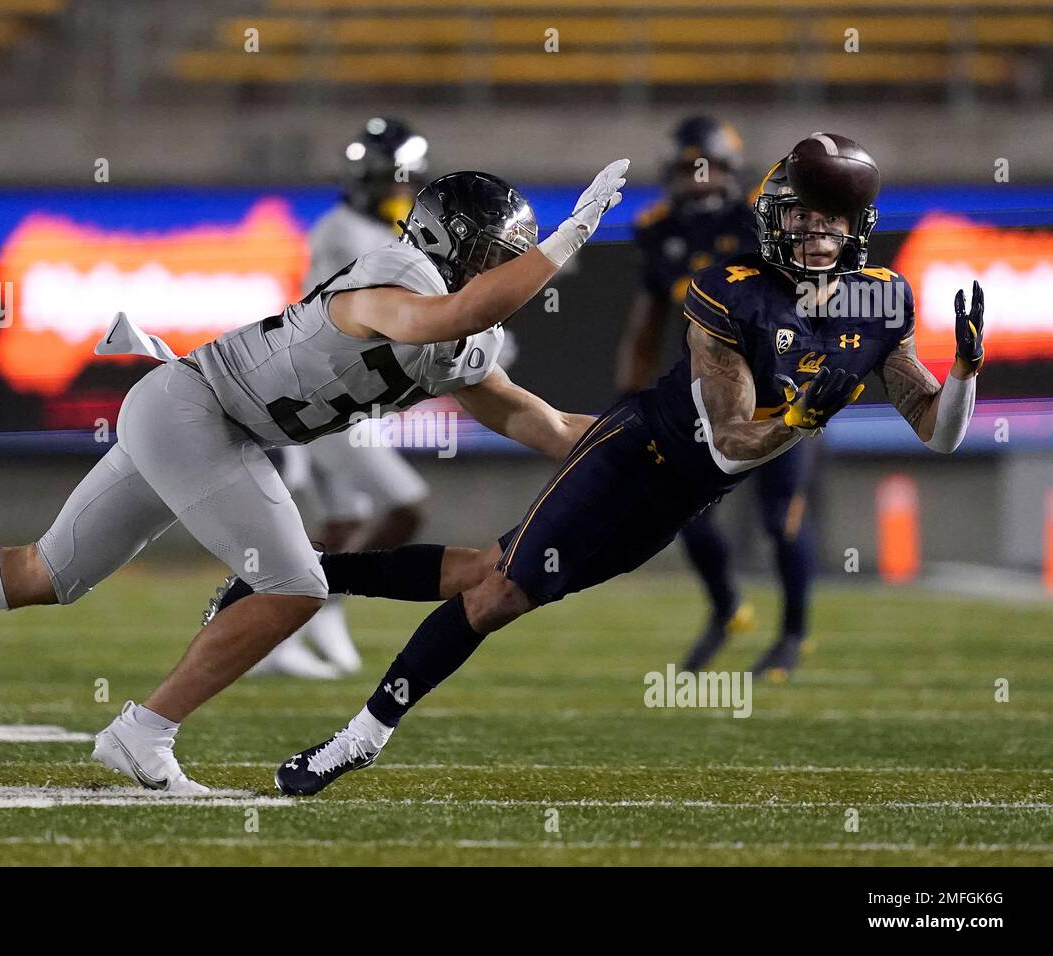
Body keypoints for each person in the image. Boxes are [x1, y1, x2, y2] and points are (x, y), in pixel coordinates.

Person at [0, 160, 632, 798]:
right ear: (455, 247)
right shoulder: (400, 277)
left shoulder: (456, 327)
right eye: (496, 254)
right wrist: (564, 243)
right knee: (295, 583)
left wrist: (661, 443)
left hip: (199, 417)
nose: (504, 268)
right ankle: (143, 731)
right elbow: (455, 314)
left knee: (51, 573)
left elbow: (542, 423)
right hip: (196, 411)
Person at [262, 133, 987, 796]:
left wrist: (964, 372)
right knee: (495, 595)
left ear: (852, 226)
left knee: (485, 573)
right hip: (634, 452)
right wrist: (798, 420)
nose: (806, 230)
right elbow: (730, 439)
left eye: (825, 217)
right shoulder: (728, 288)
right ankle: (359, 738)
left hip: (678, 502)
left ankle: (310, 572)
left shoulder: (880, 301)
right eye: (795, 213)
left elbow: (938, 432)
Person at [617, 116, 819, 678]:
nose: (698, 181)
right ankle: (728, 607)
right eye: (687, 169)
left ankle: (794, 636)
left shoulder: (766, 218)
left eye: (707, 168)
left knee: (782, 519)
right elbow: (646, 321)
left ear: (732, 171)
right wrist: (628, 399)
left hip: (781, 392)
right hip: (707, 400)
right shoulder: (659, 230)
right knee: (679, 508)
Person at [253, 117, 433, 679]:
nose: (397, 192)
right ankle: (320, 608)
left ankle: (275, 629)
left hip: (347, 399)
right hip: (323, 399)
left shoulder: (385, 233)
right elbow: (359, 319)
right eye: (388, 181)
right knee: (406, 505)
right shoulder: (343, 233)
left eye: (403, 181)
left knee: (340, 529)